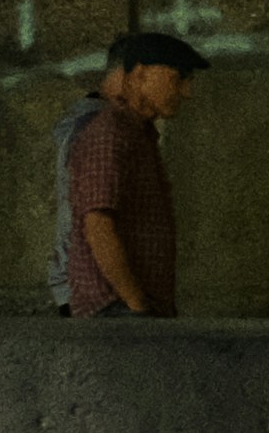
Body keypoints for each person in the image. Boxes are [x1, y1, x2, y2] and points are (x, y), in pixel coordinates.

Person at [54, 31, 206, 317]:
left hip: (128, 310)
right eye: (178, 78)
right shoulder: (110, 135)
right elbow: (98, 224)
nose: (186, 91)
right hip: (117, 311)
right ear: (140, 75)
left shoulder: (136, 134)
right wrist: (136, 304)